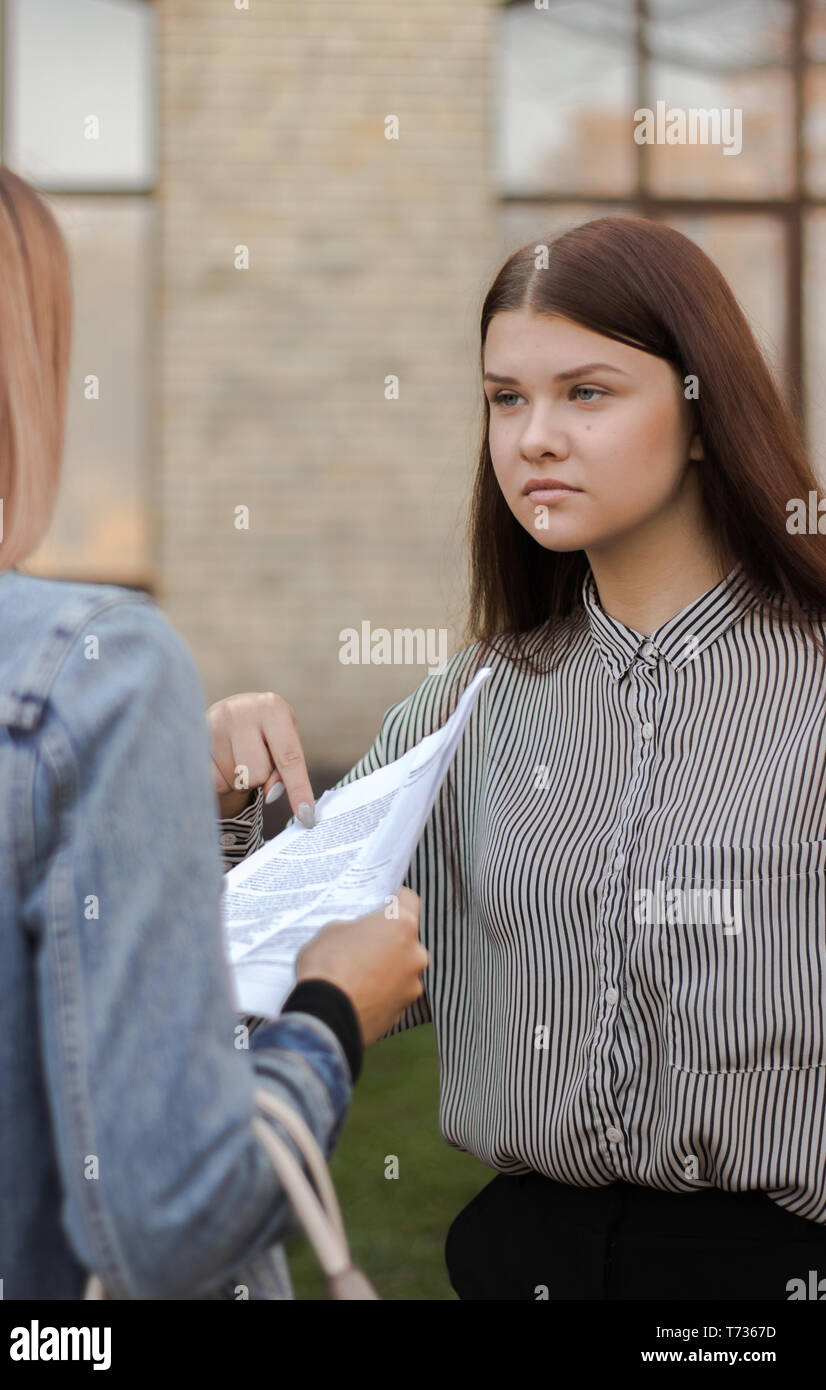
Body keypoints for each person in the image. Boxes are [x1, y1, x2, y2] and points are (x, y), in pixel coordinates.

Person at [211, 215, 826, 1300]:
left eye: (585, 392)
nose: (531, 437)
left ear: (697, 415)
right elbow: (264, 975)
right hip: (521, 1267)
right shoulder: (469, 704)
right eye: (505, 398)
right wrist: (225, 802)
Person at [0, 146, 428, 1301]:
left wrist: (176, 818)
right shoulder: (88, 672)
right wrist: (332, 1007)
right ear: (13, 362)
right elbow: (167, 1218)